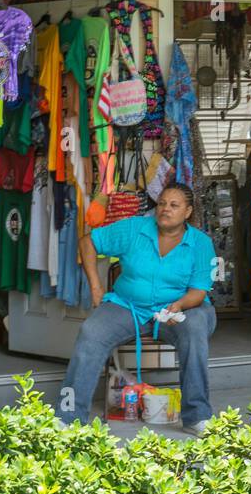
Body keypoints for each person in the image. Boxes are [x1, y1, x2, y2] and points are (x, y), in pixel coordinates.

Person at [59, 183, 217, 434]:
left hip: (180, 309)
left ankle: (197, 416)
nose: (165, 209)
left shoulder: (201, 243)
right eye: (162, 203)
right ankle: (68, 416)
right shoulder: (134, 228)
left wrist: (178, 306)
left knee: (196, 328)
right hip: (127, 306)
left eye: (174, 205)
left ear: (188, 212)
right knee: (91, 332)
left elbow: (199, 291)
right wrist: (97, 289)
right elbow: (87, 242)